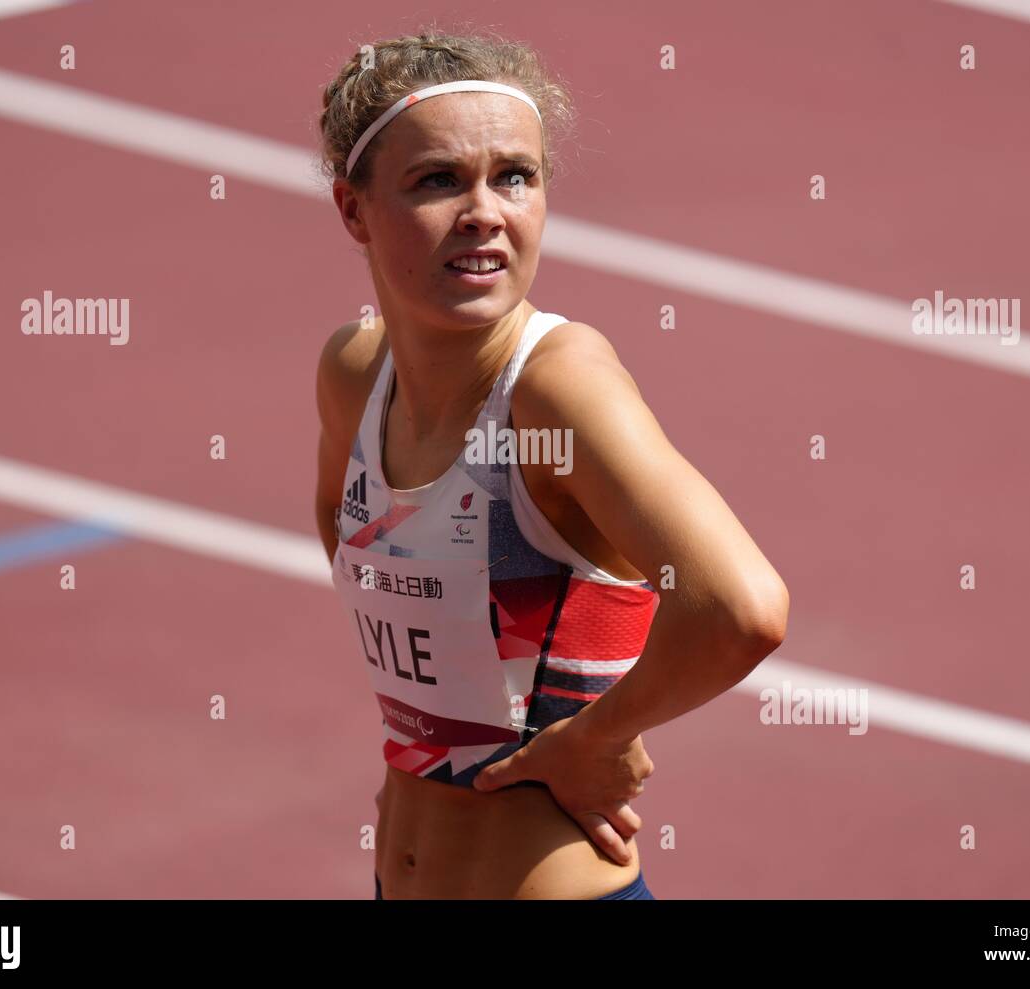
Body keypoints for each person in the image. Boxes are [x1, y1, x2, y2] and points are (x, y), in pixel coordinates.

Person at [314, 30, 789, 899]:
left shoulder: (555, 387)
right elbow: (354, 551)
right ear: (353, 210)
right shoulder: (354, 374)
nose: (486, 211)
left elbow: (741, 609)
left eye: (515, 177)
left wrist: (597, 737)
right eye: (438, 180)